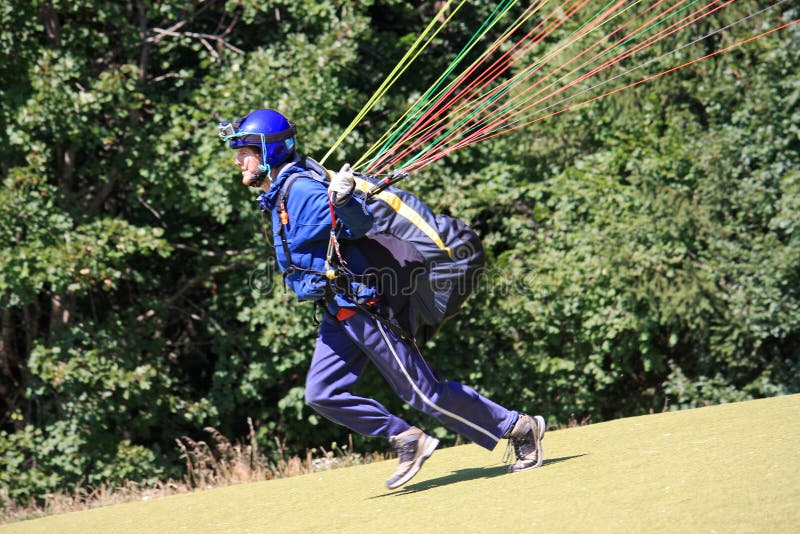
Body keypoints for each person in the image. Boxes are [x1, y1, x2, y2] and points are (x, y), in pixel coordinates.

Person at [218, 109, 546, 489]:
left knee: (423, 391)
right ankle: (407, 437)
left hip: (363, 306)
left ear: (270, 151)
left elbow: (359, 224)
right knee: (322, 393)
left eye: (245, 150)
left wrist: (343, 202)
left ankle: (519, 428)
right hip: (336, 310)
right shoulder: (279, 195)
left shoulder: (301, 191)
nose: (238, 160)